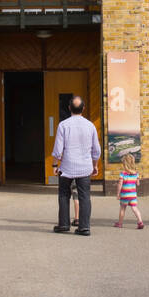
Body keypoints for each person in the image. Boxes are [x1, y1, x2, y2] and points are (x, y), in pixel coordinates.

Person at [52, 95, 101, 236]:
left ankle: (64, 224)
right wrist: (95, 165)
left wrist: (55, 165)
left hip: (66, 167)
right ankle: (84, 227)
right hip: (85, 167)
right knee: (85, 196)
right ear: (83, 109)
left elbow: (58, 149)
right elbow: (96, 150)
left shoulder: (63, 125)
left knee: (63, 194)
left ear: (69, 108)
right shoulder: (90, 125)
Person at [114, 153, 144, 229]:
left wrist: (118, 194)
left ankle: (120, 224)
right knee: (135, 208)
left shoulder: (123, 174)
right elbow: (138, 184)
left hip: (125, 195)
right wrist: (137, 179)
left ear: (125, 164)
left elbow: (119, 185)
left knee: (122, 209)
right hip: (133, 195)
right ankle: (140, 222)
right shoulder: (136, 174)